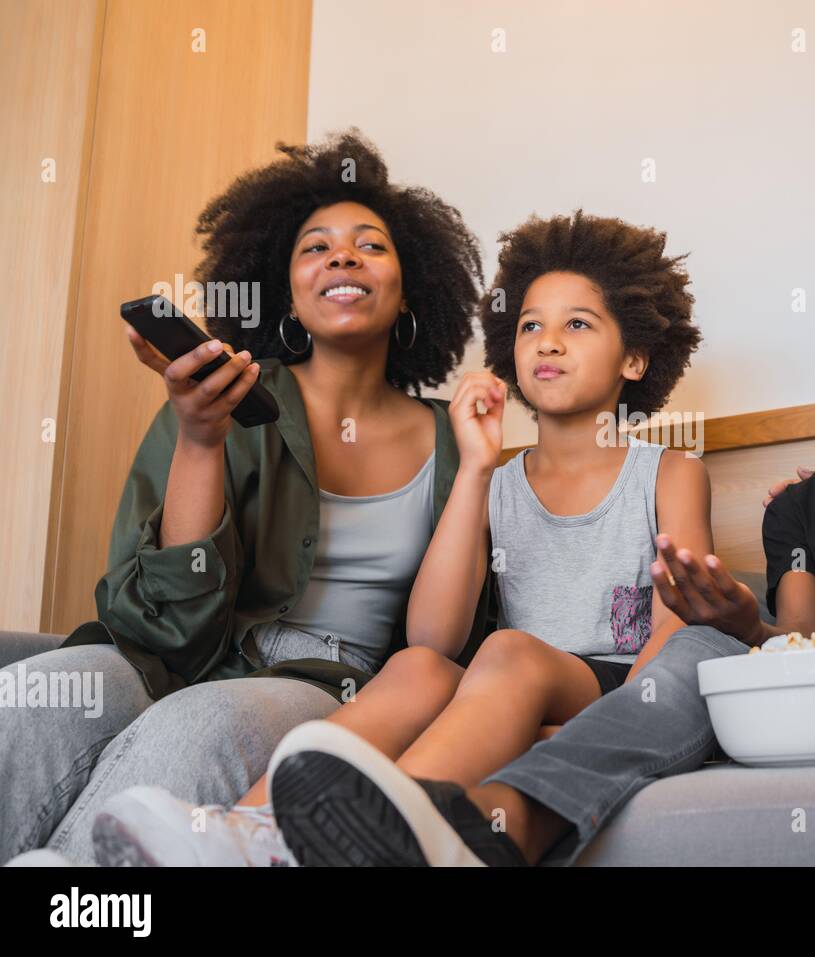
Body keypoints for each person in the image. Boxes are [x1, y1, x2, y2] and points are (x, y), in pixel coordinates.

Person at [268, 274, 815, 867]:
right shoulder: (795, 509)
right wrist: (737, 621)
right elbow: (790, 644)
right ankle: (473, 826)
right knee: (705, 650)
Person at [109, 210, 712, 867]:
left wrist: (596, 735)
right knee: (419, 666)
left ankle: (404, 817)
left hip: (617, 686)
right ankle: (252, 833)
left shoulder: (669, 472)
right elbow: (433, 636)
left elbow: (674, 640)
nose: (548, 341)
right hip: (502, 684)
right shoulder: (493, 481)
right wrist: (477, 467)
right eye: (532, 325)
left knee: (511, 652)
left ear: (635, 357)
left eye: (578, 324)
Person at [1, 130, 493, 865]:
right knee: (44, 691)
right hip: (171, 658)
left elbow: (442, 647)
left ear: (410, 286)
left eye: (371, 244)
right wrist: (200, 438)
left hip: (329, 684)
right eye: (314, 247)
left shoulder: (455, 438)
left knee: (207, 721)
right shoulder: (220, 396)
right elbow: (164, 632)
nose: (342, 256)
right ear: (286, 289)